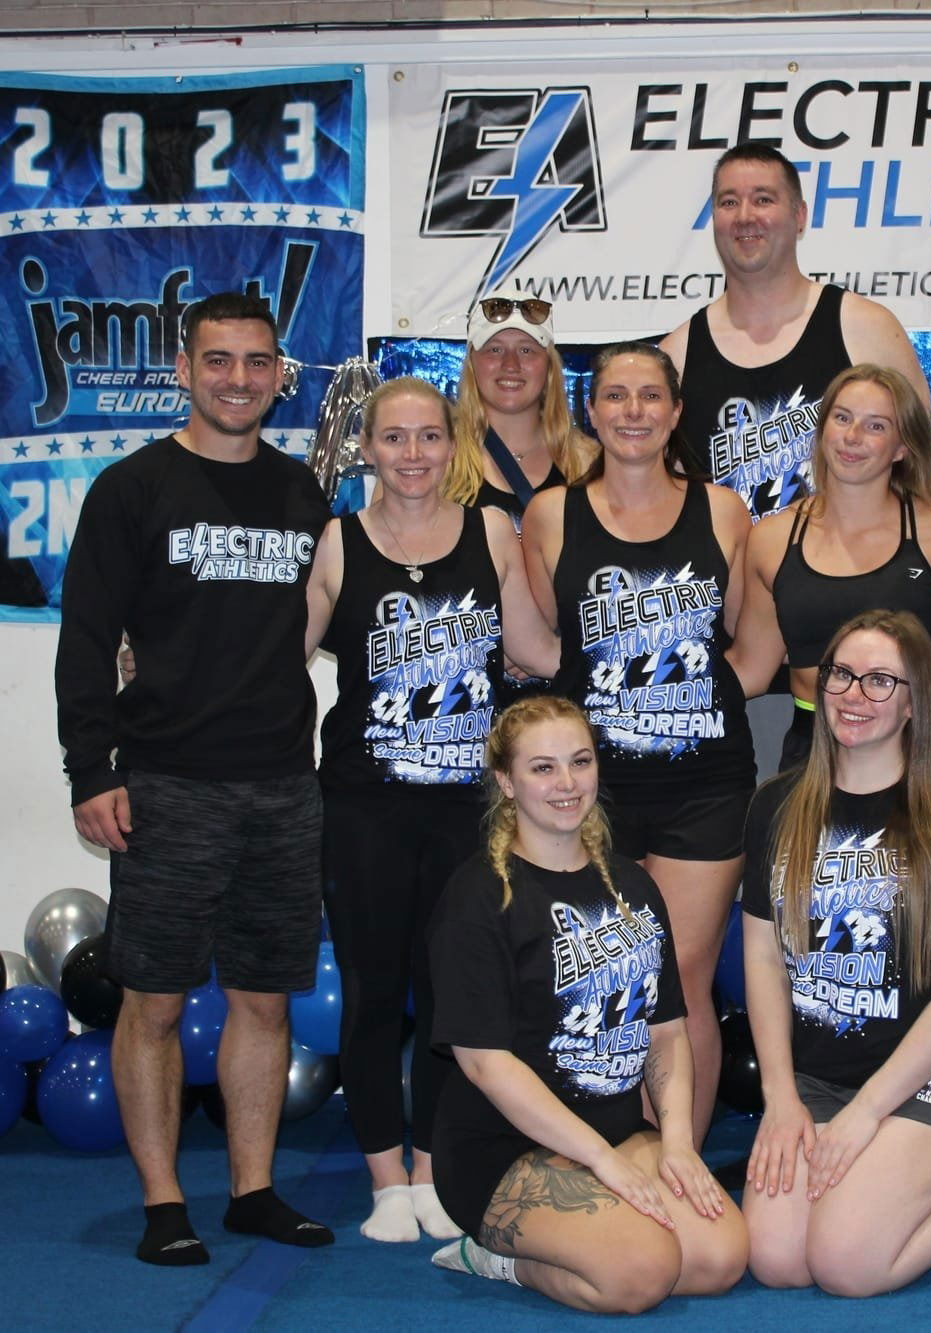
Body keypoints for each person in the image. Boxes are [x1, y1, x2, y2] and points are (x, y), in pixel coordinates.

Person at [55, 291, 335, 1266]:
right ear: (183, 369)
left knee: (265, 1000)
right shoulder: (132, 490)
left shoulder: (304, 493)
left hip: (281, 784)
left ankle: (252, 1189)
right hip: (167, 781)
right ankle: (164, 1199)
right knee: (157, 1002)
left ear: (277, 375)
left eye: (257, 363)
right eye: (217, 361)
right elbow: (86, 640)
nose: (238, 380)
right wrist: (91, 768)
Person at [311, 376, 561, 1242]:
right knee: (375, 994)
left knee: (452, 997)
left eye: (428, 437)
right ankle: (385, 1178)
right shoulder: (337, 542)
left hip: (465, 809)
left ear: (452, 444)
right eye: (394, 439)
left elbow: (534, 647)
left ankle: (430, 1165)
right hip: (364, 807)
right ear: (368, 448)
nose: (412, 455)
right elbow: (272, 656)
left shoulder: (493, 530)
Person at [739, 609, 931, 1297]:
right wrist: (780, 1098)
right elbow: (761, 956)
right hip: (817, 1083)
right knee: (778, 1259)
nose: (854, 695)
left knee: (848, 1265)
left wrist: (869, 1112)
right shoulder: (776, 806)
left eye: (881, 681)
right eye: (843, 674)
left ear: (914, 703)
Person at [425, 696, 748, 1312]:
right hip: (502, 1149)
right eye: (542, 768)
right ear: (506, 782)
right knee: (640, 1275)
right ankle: (493, 1257)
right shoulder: (477, 898)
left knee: (719, 1259)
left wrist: (677, 1140)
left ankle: (609, 1222)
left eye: (580, 761)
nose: (567, 784)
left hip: (619, 1130)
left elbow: (668, 1033)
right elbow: (486, 1065)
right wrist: (600, 1160)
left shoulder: (631, 883)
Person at [520, 343, 756, 1144]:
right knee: (614, 979)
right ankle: (619, 1150)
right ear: (591, 411)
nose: (632, 411)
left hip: (706, 781)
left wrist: (684, 699)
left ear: (676, 412)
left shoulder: (723, 509)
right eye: (615, 396)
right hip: (594, 790)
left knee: (681, 981)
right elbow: (540, 649)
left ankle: (675, 1158)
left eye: (649, 396)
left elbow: (752, 645)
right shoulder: (551, 513)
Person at [661, 142, 930, 524]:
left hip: (854, 574)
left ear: (799, 216)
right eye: (728, 202)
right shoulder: (678, 353)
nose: (744, 216)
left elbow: (923, 469)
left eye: (763, 200)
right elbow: (669, 505)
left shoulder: (866, 327)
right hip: (736, 580)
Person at [728, 365, 931, 770]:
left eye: (876, 426)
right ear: (822, 431)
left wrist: (878, 709)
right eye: (842, 418)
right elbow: (751, 667)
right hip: (813, 756)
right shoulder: (772, 538)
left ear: (902, 447)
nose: (853, 437)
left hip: (916, 754)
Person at [443, 281, 595, 532]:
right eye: (494, 349)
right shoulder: (437, 461)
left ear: (548, 365)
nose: (511, 364)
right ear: (472, 362)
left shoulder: (588, 463)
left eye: (526, 350)